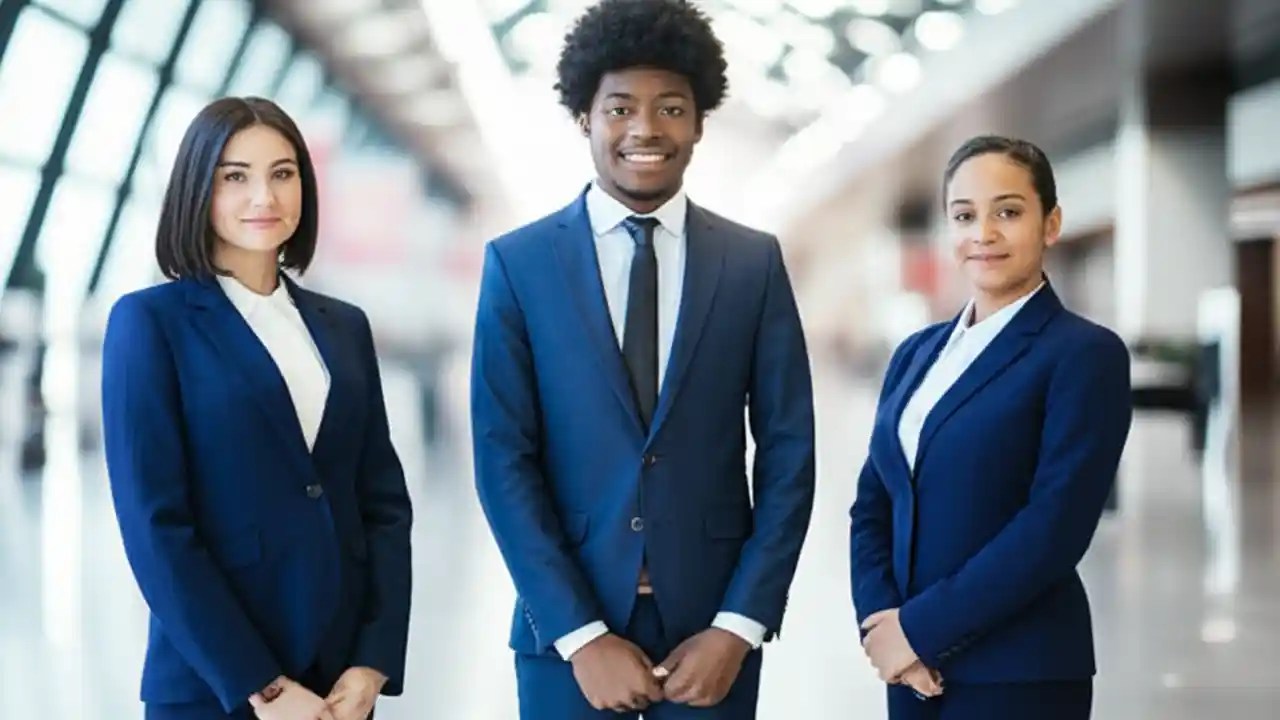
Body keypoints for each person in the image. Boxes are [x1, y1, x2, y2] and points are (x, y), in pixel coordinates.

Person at [469, 1, 816, 717]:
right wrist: (579, 634)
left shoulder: (752, 264)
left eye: (671, 108)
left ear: (698, 122)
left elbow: (789, 455)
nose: (645, 129)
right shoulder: (520, 264)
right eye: (620, 107)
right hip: (566, 636)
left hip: (712, 635)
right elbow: (503, 461)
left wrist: (738, 625)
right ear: (584, 118)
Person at [100, 96, 413, 720]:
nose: (263, 197)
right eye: (235, 176)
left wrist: (372, 661)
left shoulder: (344, 327)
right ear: (198, 188)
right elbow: (155, 528)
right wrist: (262, 686)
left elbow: (382, 504)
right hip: (214, 682)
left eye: (283, 173)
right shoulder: (150, 324)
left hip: (339, 686)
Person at [849, 135, 1133, 719]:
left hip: (1018, 675)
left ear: (1050, 223)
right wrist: (881, 624)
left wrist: (920, 629)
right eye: (964, 215)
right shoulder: (915, 354)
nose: (984, 233)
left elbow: (1053, 530)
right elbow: (873, 501)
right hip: (908, 671)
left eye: (1007, 212)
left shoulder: (1083, 355)